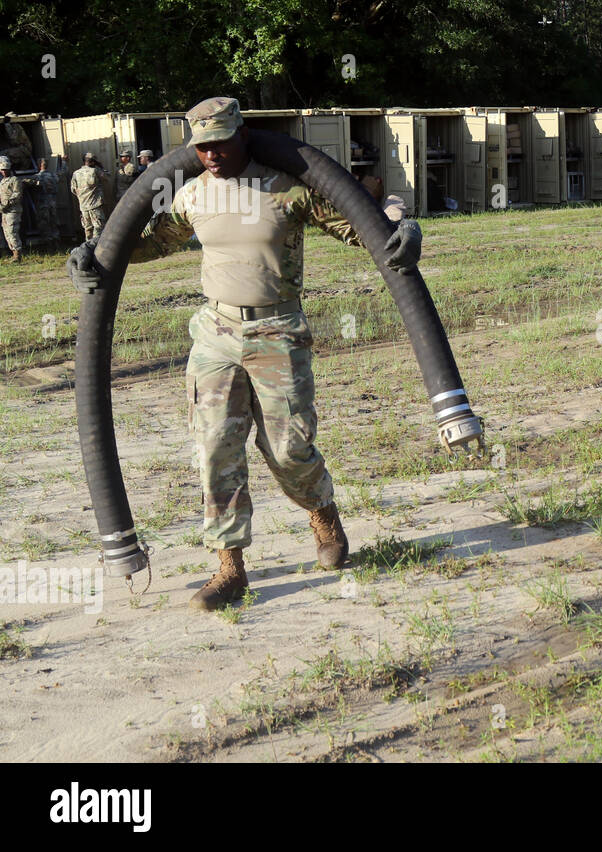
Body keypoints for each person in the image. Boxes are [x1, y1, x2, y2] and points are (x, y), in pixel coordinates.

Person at [65, 96, 424, 612]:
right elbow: (152, 243)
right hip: (216, 333)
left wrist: (403, 223)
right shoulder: (191, 196)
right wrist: (94, 253)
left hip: (278, 331)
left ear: (242, 136)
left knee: (288, 449)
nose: (210, 154)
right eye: (201, 146)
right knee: (213, 448)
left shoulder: (287, 190)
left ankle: (321, 509)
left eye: (219, 143)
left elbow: (362, 229)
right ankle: (229, 566)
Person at [0, 156, 41, 263]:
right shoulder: (3, 182)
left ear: (9, 169)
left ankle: (17, 255)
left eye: (6, 170)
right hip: (5, 212)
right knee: (7, 233)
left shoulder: (15, 180)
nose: (4, 172)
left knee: (12, 232)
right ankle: (13, 252)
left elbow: (17, 195)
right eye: (2, 170)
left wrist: (5, 204)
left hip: (13, 210)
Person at [70, 152, 110, 240]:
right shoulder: (95, 171)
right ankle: (97, 250)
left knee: (88, 229)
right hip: (95, 206)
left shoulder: (76, 173)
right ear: (93, 162)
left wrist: (82, 195)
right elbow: (107, 178)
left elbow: (73, 190)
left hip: (83, 207)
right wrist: (101, 167)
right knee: (99, 229)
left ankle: (89, 249)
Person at [33, 157, 62, 249]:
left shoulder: (37, 176)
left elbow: (28, 183)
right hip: (53, 202)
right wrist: (64, 162)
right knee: (54, 222)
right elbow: (61, 173)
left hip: (43, 203)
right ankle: (56, 242)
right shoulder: (53, 175)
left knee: (44, 223)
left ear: (39, 165)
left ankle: (48, 245)